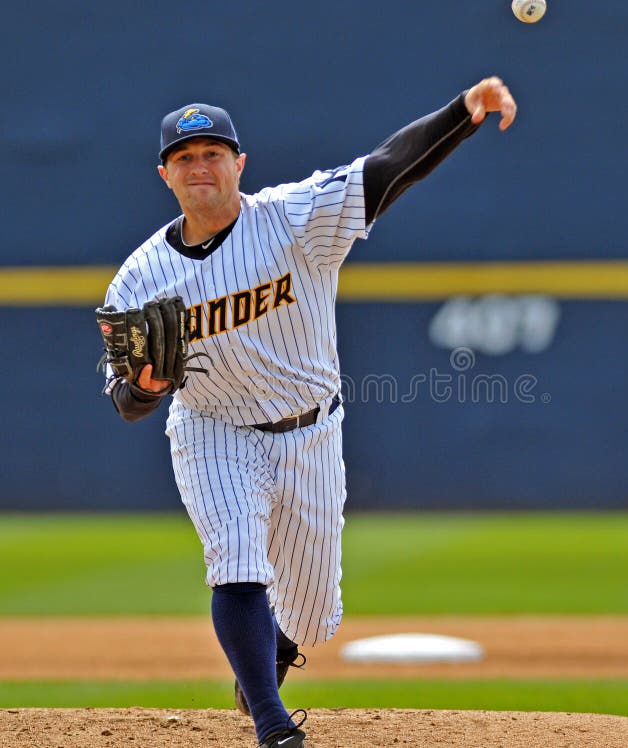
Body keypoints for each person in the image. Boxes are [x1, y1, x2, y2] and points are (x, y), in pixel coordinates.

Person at [99, 77, 517, 748]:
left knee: (317, 614)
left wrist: (461, 115)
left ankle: (265, 663)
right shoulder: (140, 279)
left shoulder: (294, 217)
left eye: (213, 153)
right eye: (185, 158)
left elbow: (384, 169)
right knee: (235, 559)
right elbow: (126, 402)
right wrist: (145, 388)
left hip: (312, 429)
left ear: (241, 163)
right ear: (165, 174)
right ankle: (272, 725)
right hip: (214, 428)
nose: (200, 167)